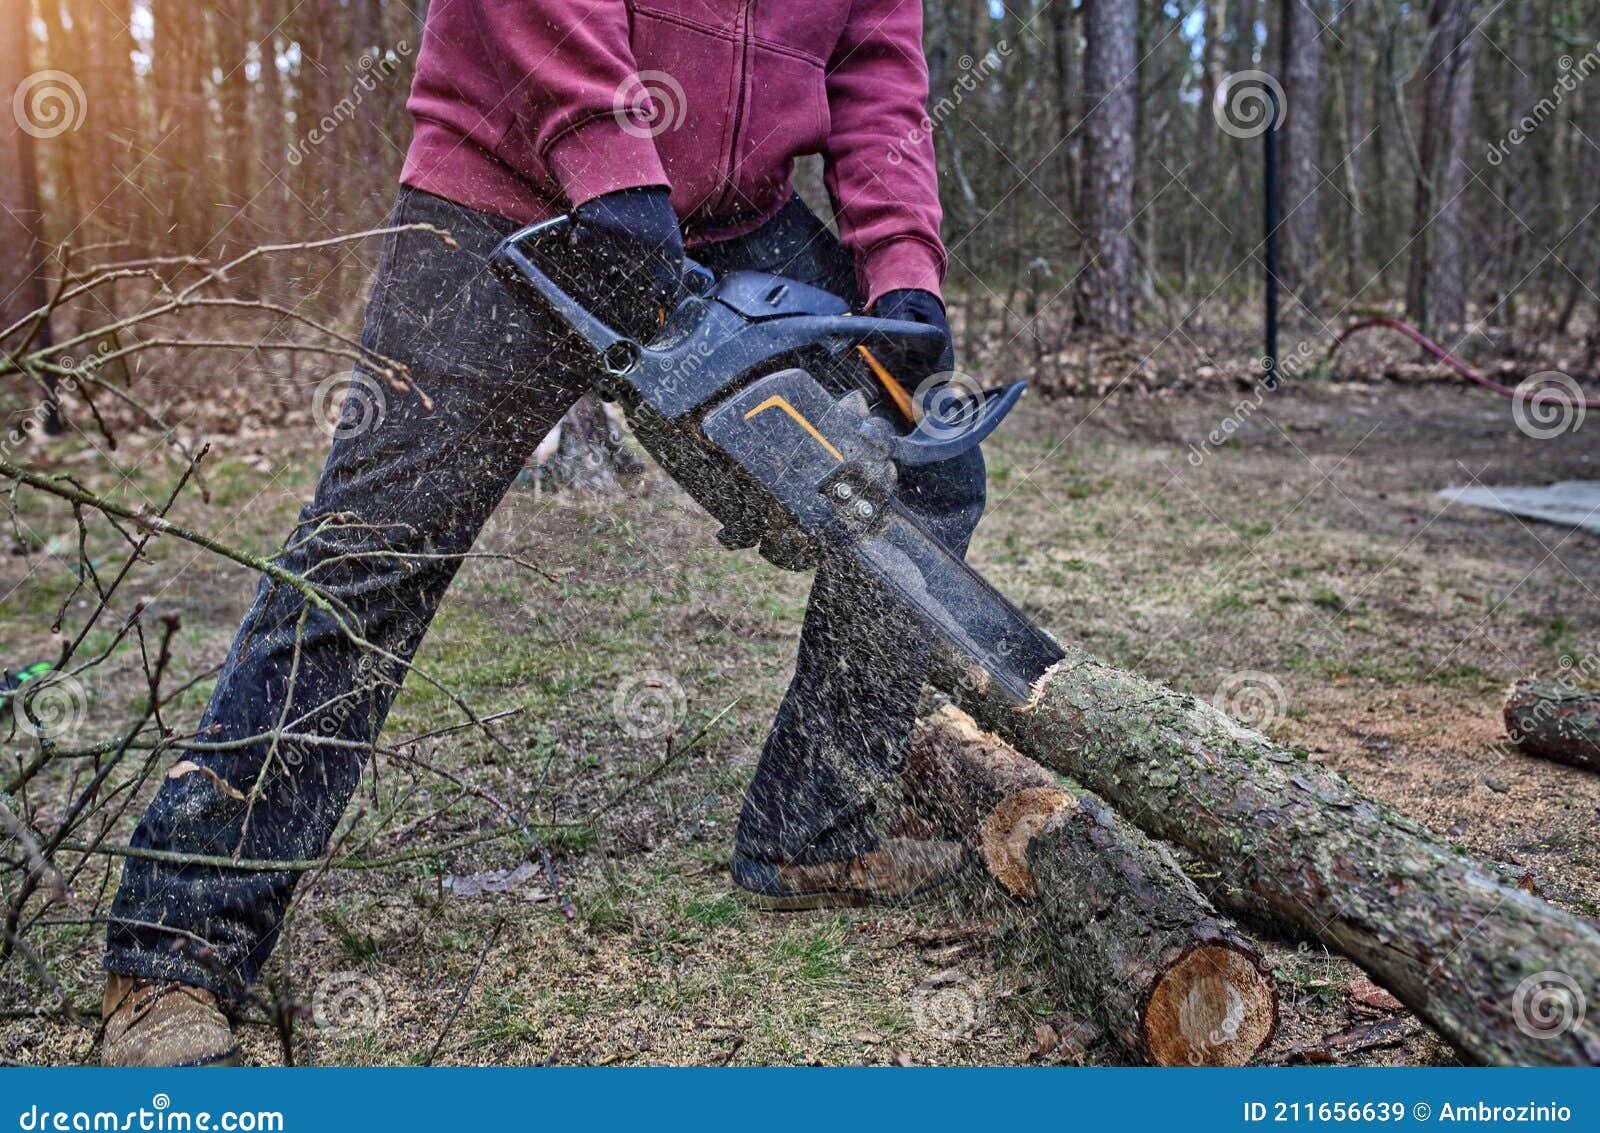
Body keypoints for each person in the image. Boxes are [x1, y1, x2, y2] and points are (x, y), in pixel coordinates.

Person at [100, 0, 985, 1066]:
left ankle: (814, 827)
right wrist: (606, 156)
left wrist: (903, 272)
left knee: (923, 471)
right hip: (500, 192)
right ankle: (175, 952)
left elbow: (878, 71)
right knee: (371, 552)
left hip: (730, 222)